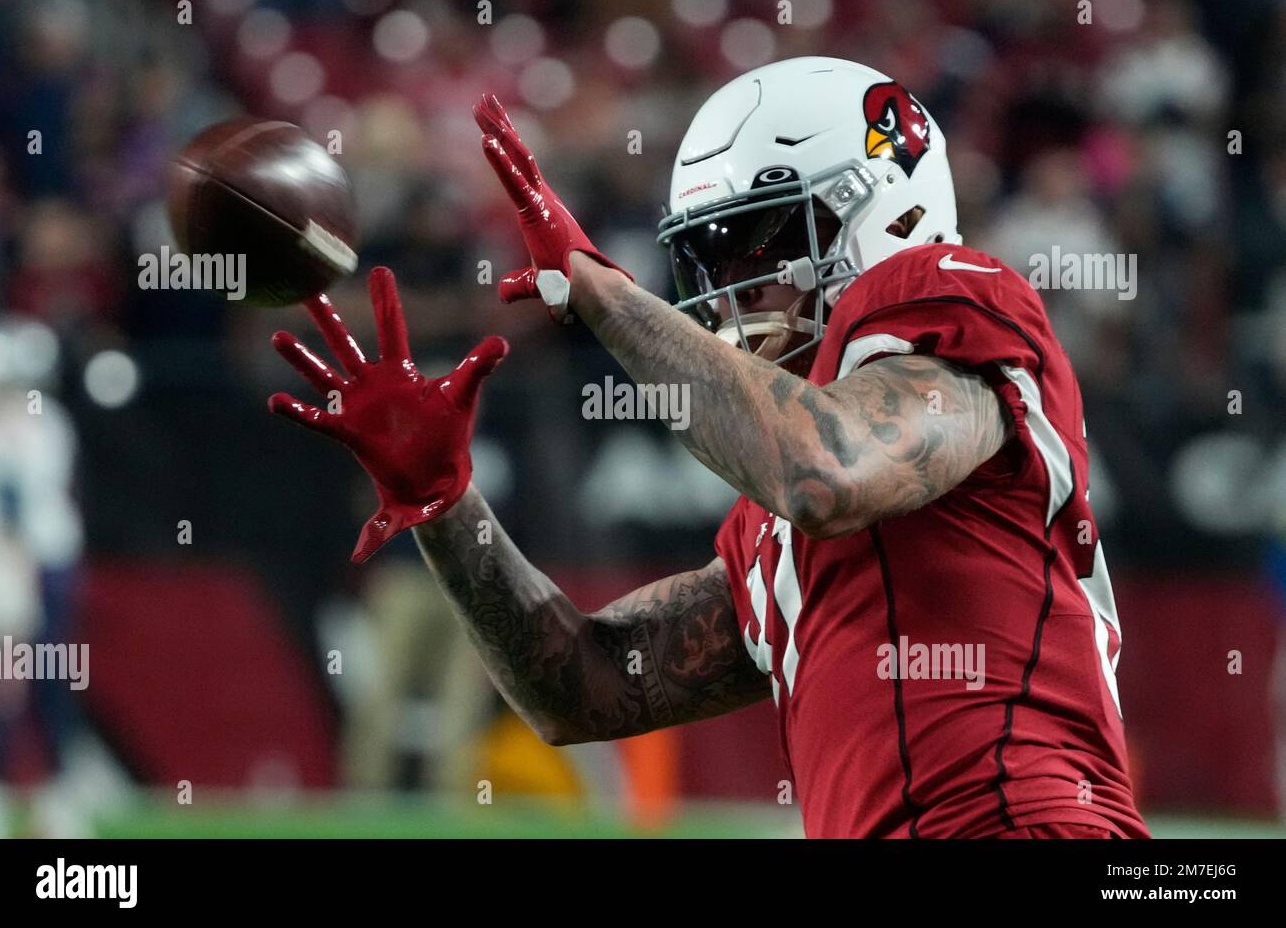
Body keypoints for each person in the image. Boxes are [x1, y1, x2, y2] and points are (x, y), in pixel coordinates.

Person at [269, 57, 1148, 839]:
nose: (729, 291)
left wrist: (598, 293)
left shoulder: (954, 302)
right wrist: (446, 505)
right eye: (708, 261)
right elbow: (580, 685)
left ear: (883, 212)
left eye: (759, 243)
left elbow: (825, 467)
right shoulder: (772, 531)